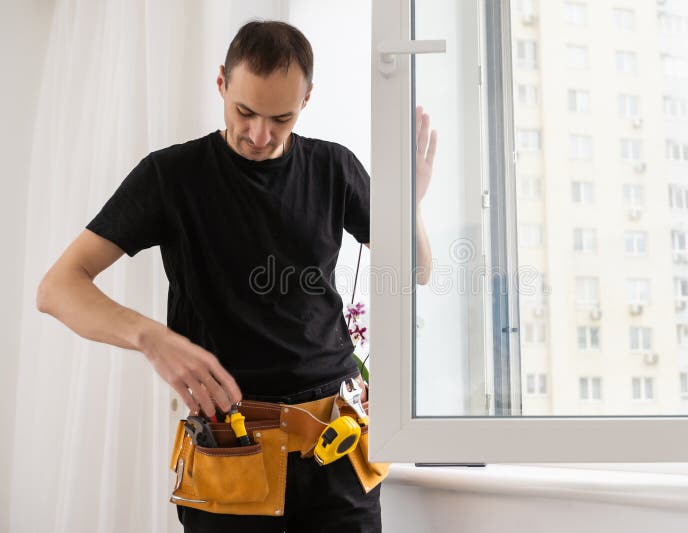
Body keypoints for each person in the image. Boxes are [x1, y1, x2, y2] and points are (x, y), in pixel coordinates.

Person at [35, 19, 436, 533]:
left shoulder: (333, 167)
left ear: (307, 100)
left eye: (282, 118)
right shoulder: (170, 177)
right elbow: (58, 287)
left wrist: (411, 205)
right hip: (233, 453)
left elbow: (417, 270)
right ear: (221, 83)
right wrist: (151, 338)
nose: (259, 135)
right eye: (244, 111)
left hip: (337, 449)